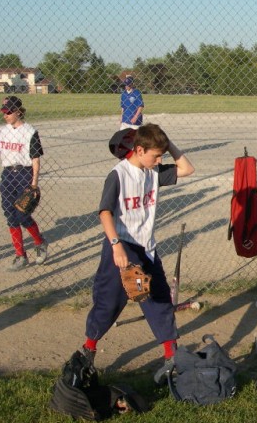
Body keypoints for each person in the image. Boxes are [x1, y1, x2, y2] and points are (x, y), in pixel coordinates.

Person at [78, 123, 194, 383]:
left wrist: (166, 142)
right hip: (122, 247)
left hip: (146, 247)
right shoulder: (118, 175)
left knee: (159, 298)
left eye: (161, 155)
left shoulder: (152, 171)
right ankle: (88, 349)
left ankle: (171, 355)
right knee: (109, 303)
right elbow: (105, 212)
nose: (159, 160)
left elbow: (187, 169)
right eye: (156, 155)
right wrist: (116, 245)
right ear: (139, 150)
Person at [0, 96, 49, 270]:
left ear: (18, 111)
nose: (6, 116)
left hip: (24, 174)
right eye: (4, 112)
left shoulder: (29, 131)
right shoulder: (1, 132)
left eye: (9, 112)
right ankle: (20, 255)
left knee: (23, 215)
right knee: (10, 216)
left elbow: (35, 159)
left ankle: (40, 242)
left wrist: (34, 183)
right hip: (8, 175)